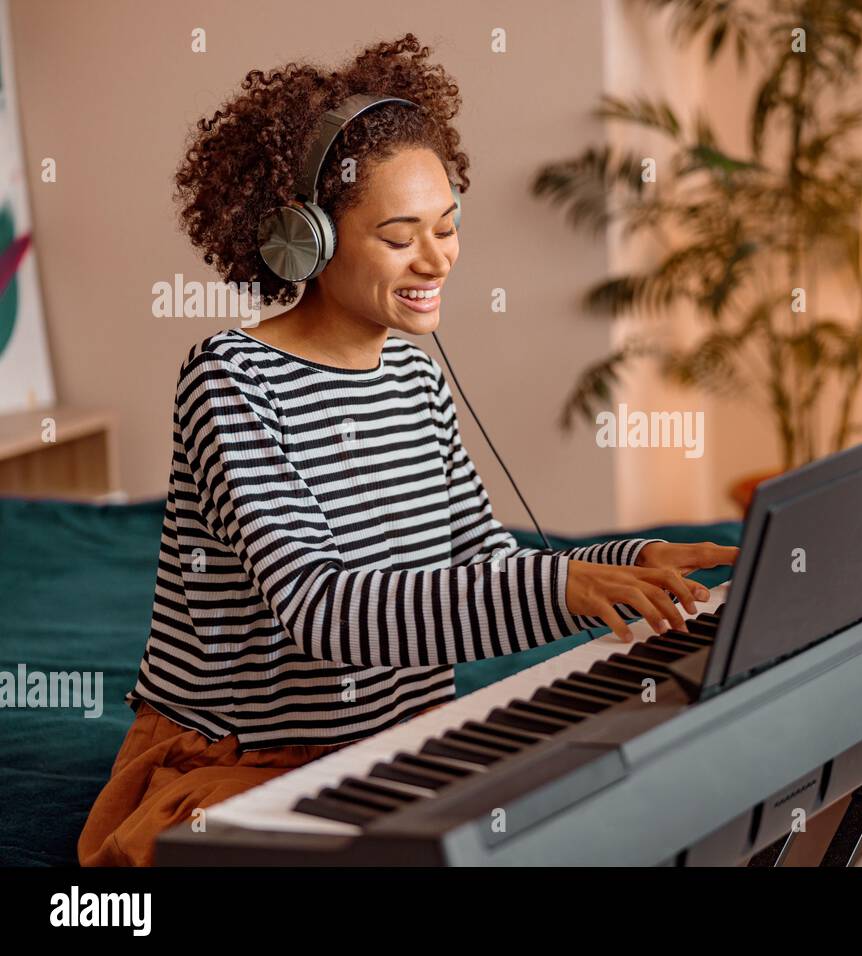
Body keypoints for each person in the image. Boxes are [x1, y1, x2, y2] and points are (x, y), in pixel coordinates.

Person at [78, 34, 737, 866]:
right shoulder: (232, 380)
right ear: (305, 241)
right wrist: (563, 585)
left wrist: (624, 558)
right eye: (400, 237)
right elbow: (322, 606)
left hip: (390, 742)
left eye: (448, 228)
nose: (437, 261)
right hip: (238, 762)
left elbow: (479, 558)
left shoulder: (416, 380)